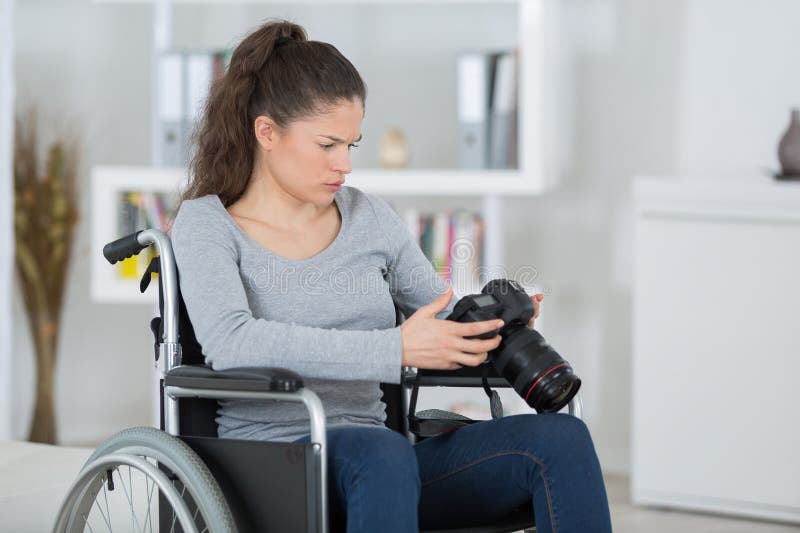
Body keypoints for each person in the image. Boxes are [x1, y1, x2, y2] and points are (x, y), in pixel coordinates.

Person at [170, 19, 612, 533]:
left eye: (351, 146)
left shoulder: (368, 217)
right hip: (273, 466)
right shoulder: (207, 223)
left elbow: (438, 312)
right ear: (266, 132)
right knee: (379, 452)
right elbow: (231, 342)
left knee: (561, 439)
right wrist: (395, 348)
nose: (345, 165)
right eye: (327, 145)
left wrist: (493, 325)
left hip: (385, 464)